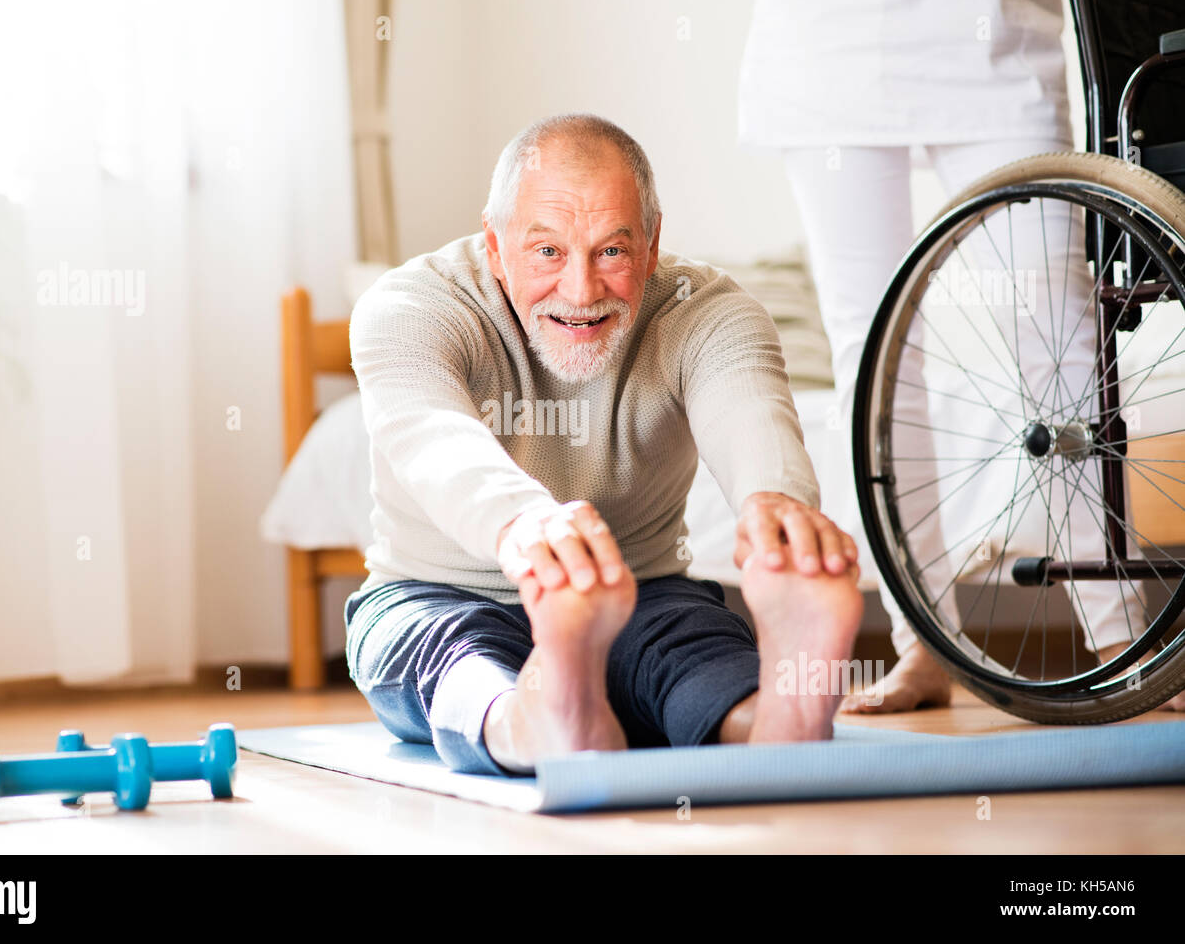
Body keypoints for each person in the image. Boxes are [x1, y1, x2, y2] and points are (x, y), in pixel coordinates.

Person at [344, 113, 864, 776]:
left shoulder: (706, 310)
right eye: (548, 252)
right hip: (438, 594)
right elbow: (433, 440)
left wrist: (776, 510)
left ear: (651, 245)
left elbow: (749, 406)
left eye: (611, 251)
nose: (581, 291)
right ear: (495, 246)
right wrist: (527, 527)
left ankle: (778, 721)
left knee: (692, 652)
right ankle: (536, 718)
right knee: (455, 664)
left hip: (641, 595)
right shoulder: (410, 306)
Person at [737, 0, 1149, 711]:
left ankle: (1122, 637)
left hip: (995, 39)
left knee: (1058, 326)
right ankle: (922, 643)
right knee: (875, 353)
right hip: (828, 49)